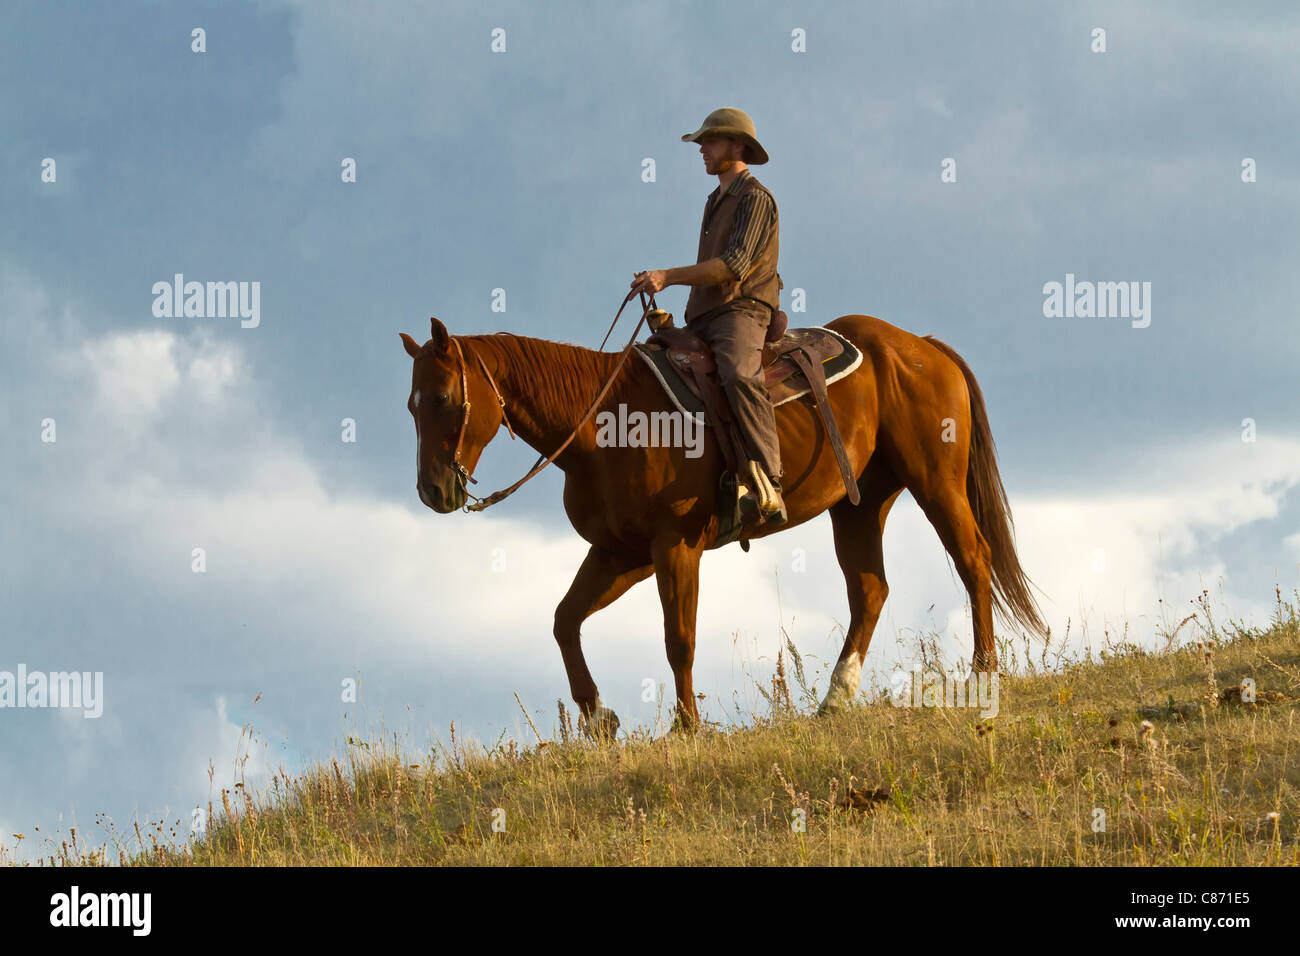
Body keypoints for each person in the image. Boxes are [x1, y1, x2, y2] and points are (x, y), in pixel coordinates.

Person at [631, 107, 786, 526]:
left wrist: (666, 276)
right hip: (703, 313)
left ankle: (769, 479)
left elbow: (734, 265)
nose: (701, 148)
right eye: (702, 142)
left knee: (737, 374)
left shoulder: (756, 198)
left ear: (737, 147)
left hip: (742, 311)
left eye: (710, 140)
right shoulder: (714, 200)